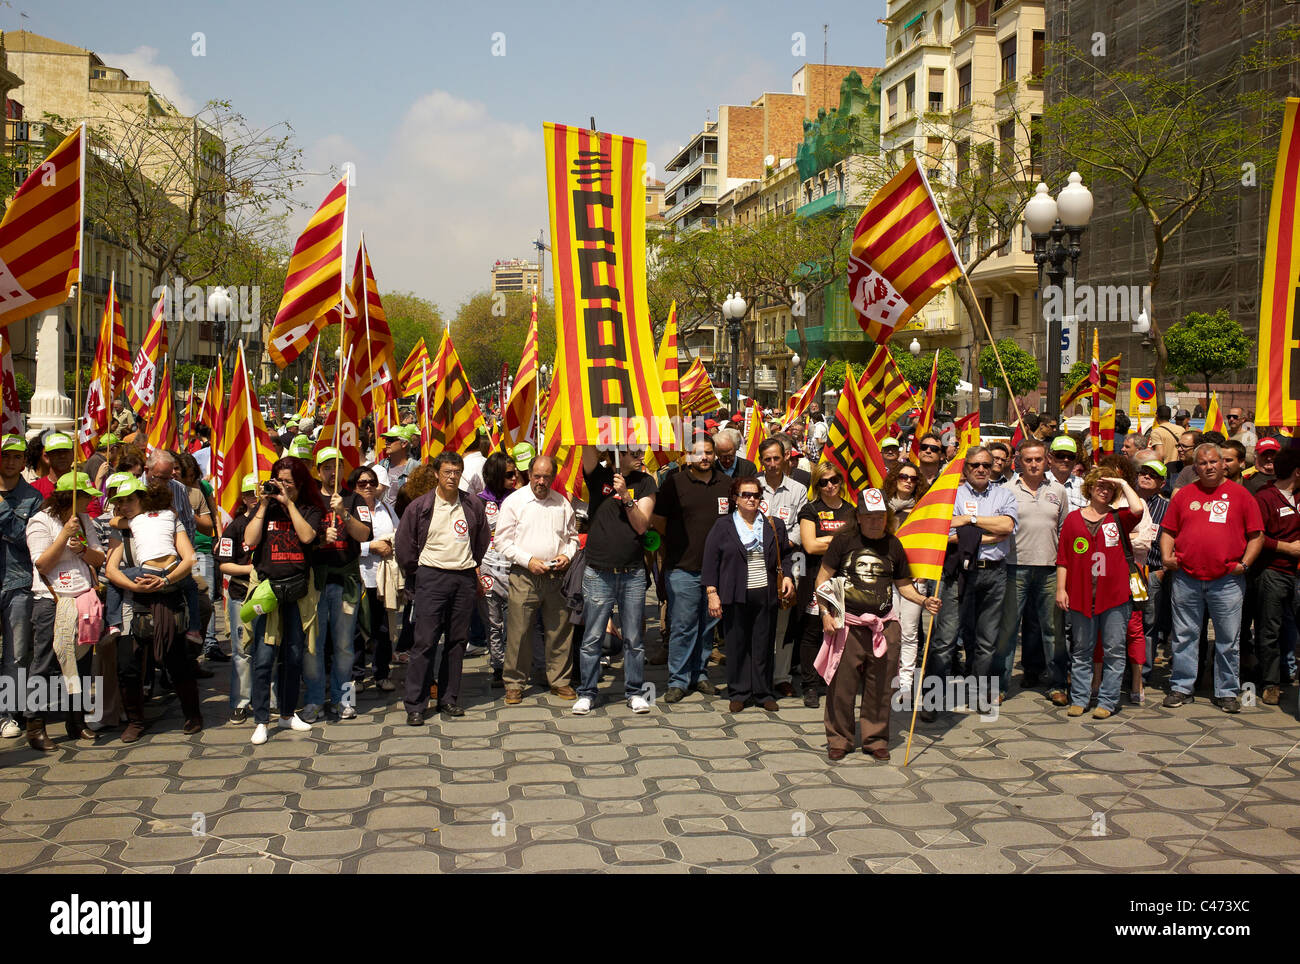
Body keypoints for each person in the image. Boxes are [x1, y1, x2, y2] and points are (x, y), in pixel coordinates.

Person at [817, 488, 942, 762]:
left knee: (881, 686)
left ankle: (875, 739)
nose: (876, 522)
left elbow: (904, 585)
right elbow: (822, 579)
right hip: (846, 625)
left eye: (880, 516)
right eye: (870, 516)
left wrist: (924, 601)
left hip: (883, 626)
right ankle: (839, 739)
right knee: (841, 687)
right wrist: (825, 612)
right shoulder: (843, 541)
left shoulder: (893, 545)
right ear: (859, 517)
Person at [1160, 443, 1263, 712]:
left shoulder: (1241, 495)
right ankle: (1181, 687)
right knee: (1184, 637)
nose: (1209, 467)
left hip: (1227, 581)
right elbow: (1169, 530)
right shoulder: (1184, 495)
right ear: (1195, 467)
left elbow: (1256, 535)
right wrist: (1167, 556)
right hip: (1186, 578)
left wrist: (1245, 563)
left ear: (1223, 464)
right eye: (1203, 463)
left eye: (1214, 462)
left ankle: (1226, 691)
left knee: (1228, 640)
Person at [394, 451, 491, 724]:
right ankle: (416, 704)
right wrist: (418, 572)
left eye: (457, 472)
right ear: (437, 473)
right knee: (424, 642)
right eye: (447, 472)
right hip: (431, 578)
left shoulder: (471, 504)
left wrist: (470, 564)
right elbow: (403, 546)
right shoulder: (421, 506)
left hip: (463, 579)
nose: (452, 477)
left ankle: (449, 698)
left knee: (457, 642)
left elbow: (481, 540)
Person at [105, 477, 201, 739]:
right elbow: (111, 570)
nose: (125, 506)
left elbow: (189, 557)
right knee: (128, 666)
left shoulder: (168, 519)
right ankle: (135, 721)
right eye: (120, 501)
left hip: (165, 595)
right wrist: (136, 587)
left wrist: (165, 579)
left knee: (176, 658)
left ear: (142, 498)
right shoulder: (121, 529)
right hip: (130, 600)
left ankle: (192, 714)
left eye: (130, 500)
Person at [926, 446, 1018, 710]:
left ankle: (978, 696)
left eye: (987, 465)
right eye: (975, 465)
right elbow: (947, 534)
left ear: (993, 468)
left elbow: (1007, 527)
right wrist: (987, 531)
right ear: (965, 468)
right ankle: (933, 700)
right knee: (945, 639)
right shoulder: (951, 495)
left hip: (994, 573)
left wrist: (969, 520)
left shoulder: (1004, 494)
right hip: (959, 573)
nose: (981, 469)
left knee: (987, 641)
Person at [242, 456, 325, 745]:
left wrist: (289, 503)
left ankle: (288, 713)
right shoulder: (266, 508)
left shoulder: (309, 509)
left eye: (288, 481)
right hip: (268, 591)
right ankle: (261, 719)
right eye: (279, 480)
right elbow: (250, 540)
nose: (282, 485)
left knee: (293, 655)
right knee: (263, 658)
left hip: (297, 590)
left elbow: (306, 536)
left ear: (299, 482)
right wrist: (264, 504)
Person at [24, 472, 106, 750]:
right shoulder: (39, 522)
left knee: (81, 663)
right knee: (45, 664)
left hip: (82, 598)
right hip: (52, 601)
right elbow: (42, 564)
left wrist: (81, 548)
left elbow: (99, 557)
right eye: (85, 497)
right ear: (70, 497)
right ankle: (34, 725)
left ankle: (77, 720)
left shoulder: (85, 521)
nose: (90, 502)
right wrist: (63, 537)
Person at [652, 434, 734, 704]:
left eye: (709, 452)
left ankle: (700, 674)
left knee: (707, 626)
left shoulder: (726, 484)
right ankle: (678, 679)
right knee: (683, 626)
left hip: (716, 572)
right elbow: (659, 522)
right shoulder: (674, 484)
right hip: (682, 568)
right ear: (688, 455)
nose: (705, 458)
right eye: (699, 453)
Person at [1055, 468, 1142, 719]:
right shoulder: (1073, 519)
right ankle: (1080, 699)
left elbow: (1137, 510)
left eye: (1109, 488)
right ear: (1089, 488)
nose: (1104, 490)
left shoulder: (1119, 517)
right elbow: (1064, 558)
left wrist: (1123, 481)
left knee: (1114, 650)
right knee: (1082, 650)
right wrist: (1061, 589)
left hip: (1114, 595)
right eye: (1099, 485)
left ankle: (1108, 700)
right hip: (1081, 594)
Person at [703, 474, 795, 712]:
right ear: (736, 498)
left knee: (763, 645)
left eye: (755, 495)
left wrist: (787, 575)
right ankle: (739, 692)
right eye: (746, 495)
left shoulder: (774, 524)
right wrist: (712, 592)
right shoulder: (723, 525)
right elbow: (711, 560)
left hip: (765, 593)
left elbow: (785, 554)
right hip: (735, 593)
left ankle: (763, 692)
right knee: (737, 644)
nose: (751, 499)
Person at [575, 447, 656, 714]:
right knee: (592, 636)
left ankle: (635, 692)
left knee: (634, 638)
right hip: (598, 571)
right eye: (631, 452)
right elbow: (586, 447)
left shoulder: (645, 482)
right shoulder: (599, 475)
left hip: (631, 572)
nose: (639, 455)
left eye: (639, 451)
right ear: (615, 455)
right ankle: (587, 692)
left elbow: (642, 525)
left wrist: (625, 496)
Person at [495, 454, 580, 706]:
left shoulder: (562, 503)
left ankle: (560, 680)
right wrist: (528, 560)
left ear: (553, 477)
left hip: (556, 577)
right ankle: (514, 683)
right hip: (525, 575)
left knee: (560, 630)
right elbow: (501, 541)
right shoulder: (515, 501)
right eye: (537, 476)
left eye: (546, 477)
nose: (541, 481)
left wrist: (567, 554)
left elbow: (573, 537)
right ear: (529, 474)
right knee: (519, 632)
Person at [995, 439, 1069, 703]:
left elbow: (1063, 531)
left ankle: (1058, 684)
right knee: (1007, 631)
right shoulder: (1005, 490)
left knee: (1053, 631)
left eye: (1038, 459)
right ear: (1019, 461)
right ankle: (999, 687)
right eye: (1028, 460)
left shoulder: (1058, 491)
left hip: (1050, 570)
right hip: (1015, 567)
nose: (1034, 464)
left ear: (1046, 460)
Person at [304, 449, 372, 723]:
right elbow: (303, 538)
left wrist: (343, 513)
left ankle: (344, 699)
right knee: (314, 645)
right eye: (327, 467)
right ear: (318, 471)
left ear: (344, 470)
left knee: (344, 645)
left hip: (346, 582)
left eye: (337, 466)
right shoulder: (308, 500)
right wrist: (322, 537)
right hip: (316, 583)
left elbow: (364, 534)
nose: (332, 472)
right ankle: (314, 699)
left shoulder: (355, 499)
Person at [796, 462, 855, 709]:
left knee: (841, 630)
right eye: (823, 482)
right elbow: (809, 545)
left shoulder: (851, 510)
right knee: (812, 631)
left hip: (844, 579)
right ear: (816, 485)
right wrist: (840, 541)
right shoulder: (810, 509)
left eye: (834, 480)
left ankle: (834, 679)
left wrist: (827, 541)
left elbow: (856, 544)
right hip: (816, 576)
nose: (830, 485)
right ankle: (810, 683)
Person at [754, 438, 807, 698]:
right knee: (758, 620)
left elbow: (798, 523)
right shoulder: (754, 486)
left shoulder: (798, 489)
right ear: (761, 460)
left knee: (784, 622)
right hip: (756, 561)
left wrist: (782, 541)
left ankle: (782, 676)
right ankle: (758, 674)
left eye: (777, 458)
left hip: (787, 560)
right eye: (768, 459)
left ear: (785, 457)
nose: (773, 464)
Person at [1250, 447, 1300, 706]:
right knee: (1270, 628)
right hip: (1273, 572)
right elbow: (1257, 536)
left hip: (1297, 574)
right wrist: (1287, 547)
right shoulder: (1265, 497)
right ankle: (1270, 682)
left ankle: (1287, 672)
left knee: (1291, 630)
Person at [0, 434, 41, 740]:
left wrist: (2, 508)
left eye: (16, 457)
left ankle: (8, 713)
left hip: (19, 583)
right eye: (5, 456)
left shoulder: (33, 498)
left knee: (16, 654)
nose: (10, 462)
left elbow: (25, 538)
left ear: (24, 461)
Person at [882, 461, 929, 705]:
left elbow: (930, 541)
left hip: (914, 577)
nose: (908, 481)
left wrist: (924, 569)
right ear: (894, 479)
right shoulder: (882, 509)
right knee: (887, 631)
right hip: (885, 579)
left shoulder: (924, 508)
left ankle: (906, 682)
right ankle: (885, 677)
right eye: (903, 476)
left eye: (912, 478)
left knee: (910, 633)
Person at [352, 464, 400, 693]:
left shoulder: (387, 509)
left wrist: (390, 544)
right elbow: (344, 544)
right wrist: (370, 547)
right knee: (357, 629)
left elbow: (399, 533)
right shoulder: (349, 509)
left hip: (383, 578)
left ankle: (382, 673)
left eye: (372, 482)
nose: (369, 487)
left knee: (382, 628)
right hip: (359, 577)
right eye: (362, 483)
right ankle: (357, 675)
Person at [215, 473, 259, 722]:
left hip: (268, 595)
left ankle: (270, 698)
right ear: (243, 497)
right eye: (251, 495)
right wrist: (250, 570)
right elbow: (224, 565)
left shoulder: (271, 521)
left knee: (269, 648)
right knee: (242, 650)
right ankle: (240, 701)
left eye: (259, 494)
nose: (255, 499)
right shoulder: (234, 527)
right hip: (241, 593)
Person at [477, 452, 521, 688]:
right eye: (508, 474)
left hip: (515, 567)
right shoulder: (478, 501)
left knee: (514, 620)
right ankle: (498, 666)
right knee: (493, 622)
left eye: (515, 473)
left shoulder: (520, 498)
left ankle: (515, 664)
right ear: (494, 475)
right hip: (488, 568)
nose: (514, 478)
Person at [177, 452, 223, 665]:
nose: (189, 480)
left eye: (192, 475)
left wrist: (220, 537)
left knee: (207, 598)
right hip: (179, 553)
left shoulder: (202, 488)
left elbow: (213, 516)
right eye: (185, 475)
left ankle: (209, 643)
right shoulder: (171, 490)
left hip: (202, 548)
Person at [1136, 459, 1171, 697]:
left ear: (1162, 482)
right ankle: (1124, 669)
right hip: (1127, 572)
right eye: (1144, 472)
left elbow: (1175, 542)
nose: (1147, 477)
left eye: (1153, 475)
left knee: (1148, 623)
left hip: (1152, 573)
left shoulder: (1168, 508)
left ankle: (1143, 672)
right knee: (1125, 622)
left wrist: (1162, 571)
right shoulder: (1125, 501)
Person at [379, 426, 414, 510]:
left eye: (390, 440)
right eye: (386, 440)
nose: (386, 443)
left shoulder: (416, 468)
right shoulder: (381, 465)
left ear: (404, 443)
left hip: (404, 518)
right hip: (384, 516)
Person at [32, 432, 75, 499]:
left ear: (73, 454)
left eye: (65, 451)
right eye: (57, 452)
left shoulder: (85, 485)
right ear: (46, 457)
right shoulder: (34, 488)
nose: (62, 455)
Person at [1048, 436, 1086, 510]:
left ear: (1075, 459)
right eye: (1060, 455)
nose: (1066, 460)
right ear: (1050, 458)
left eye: (1070, 456)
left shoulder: (1084, 486)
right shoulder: (1039, 482)